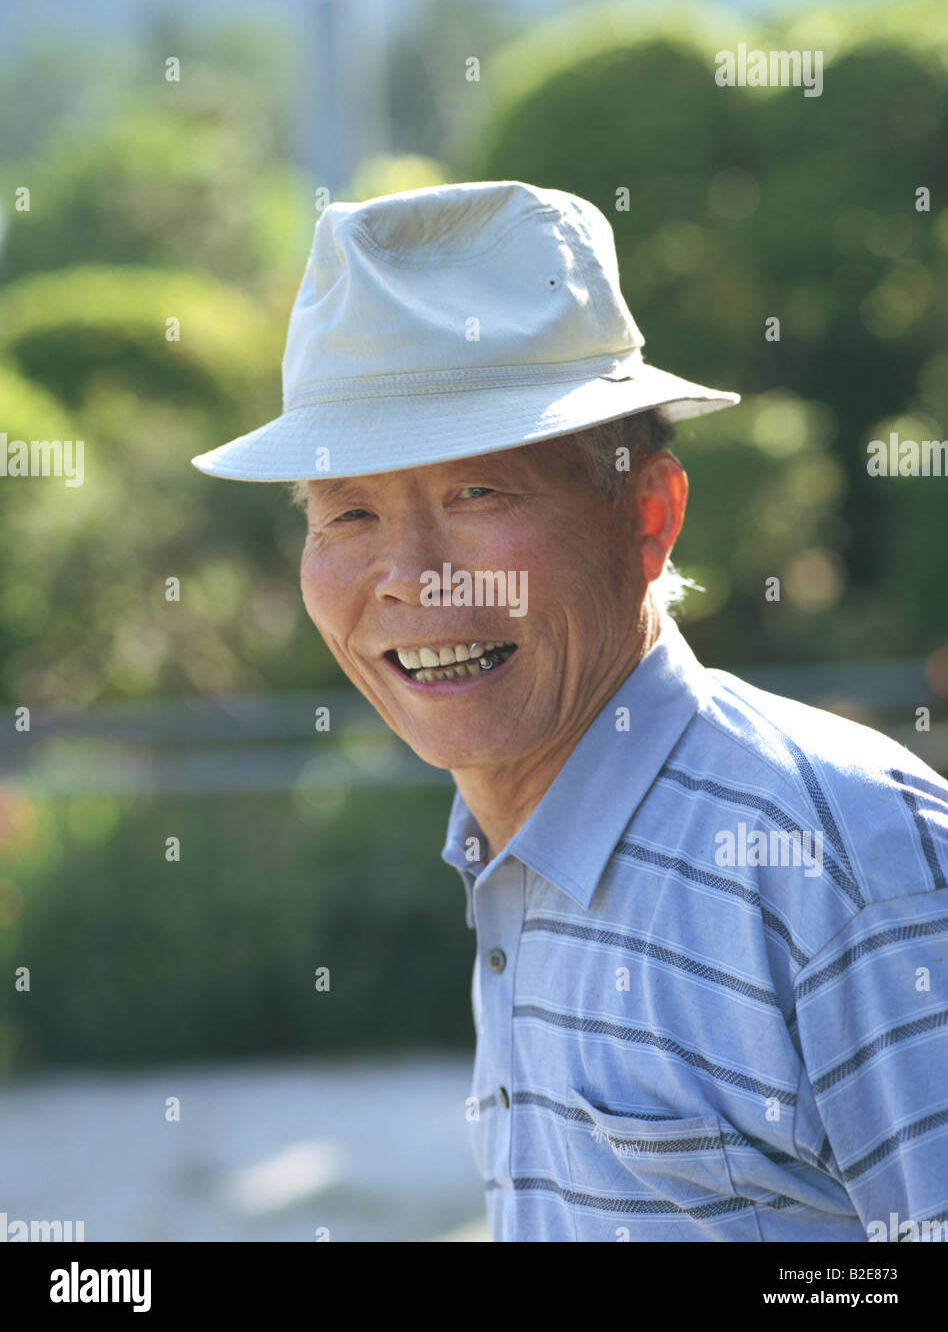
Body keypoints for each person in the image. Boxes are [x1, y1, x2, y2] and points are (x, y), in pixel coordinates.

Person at [192, 180, 948, 1242]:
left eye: (479, 495)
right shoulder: (512, 848)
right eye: (350, 510)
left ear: (648, 513)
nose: (415, 580)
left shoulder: (840, 854)